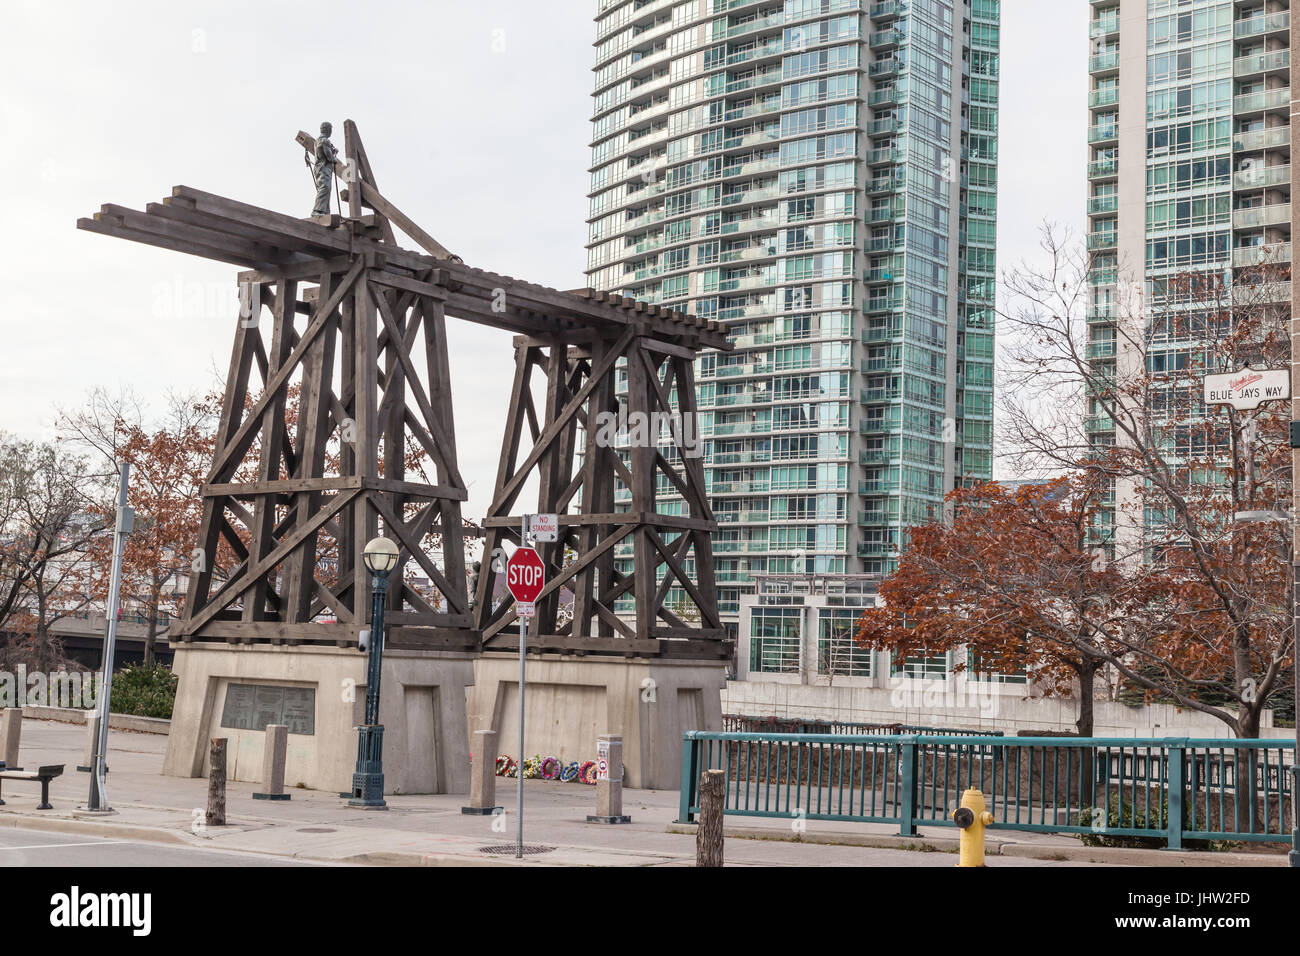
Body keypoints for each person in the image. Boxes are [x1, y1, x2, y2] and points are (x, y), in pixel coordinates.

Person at [312, 122, 338, 217]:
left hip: (319, 167)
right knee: (325, 188)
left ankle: (325, 210)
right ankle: (317, 210)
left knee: (325, 188)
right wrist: (334, 157)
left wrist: (332, 150)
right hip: (324, 167)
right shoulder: (325, 141)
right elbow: (330, 158)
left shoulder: (317, 140)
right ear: (328, 130)